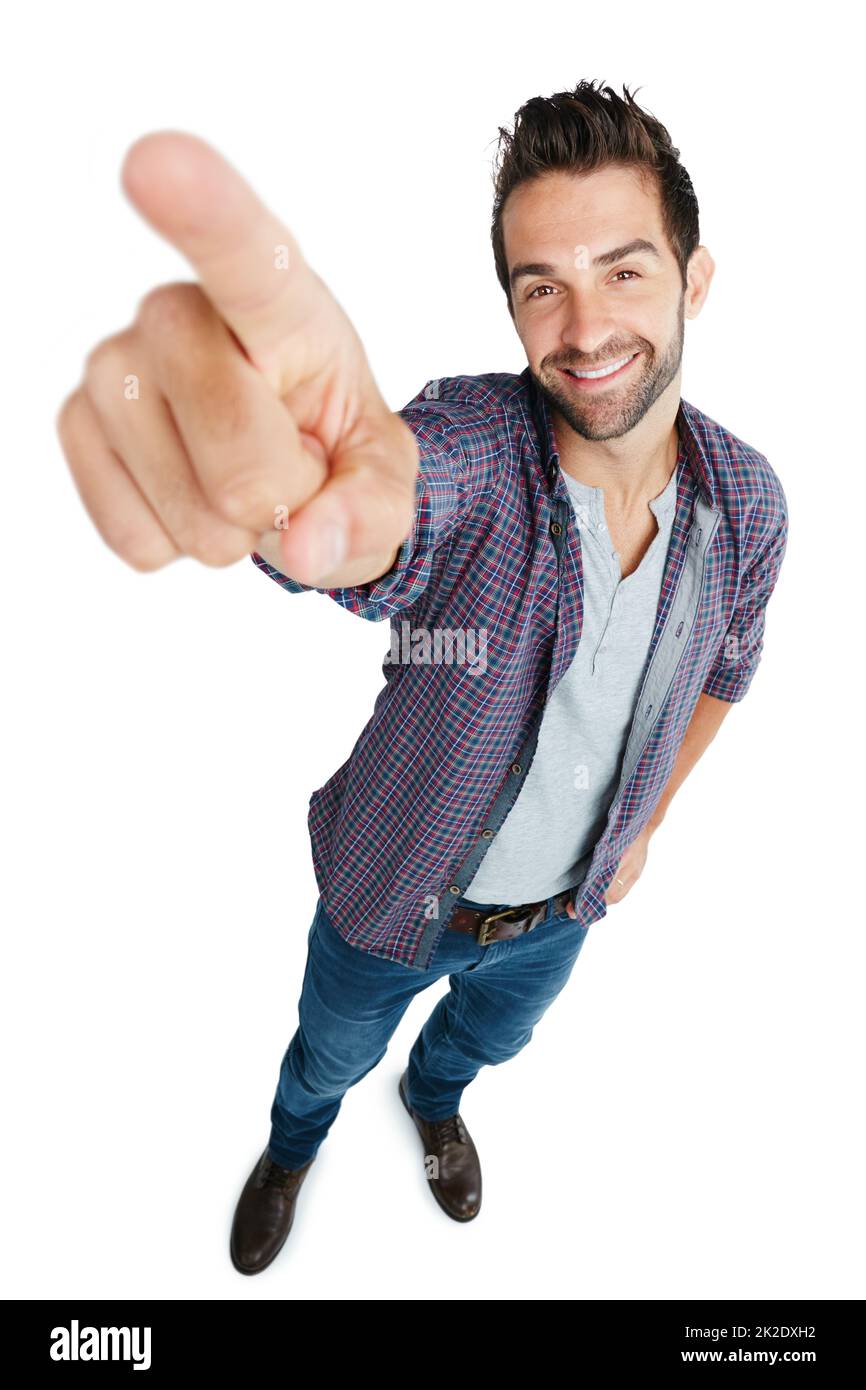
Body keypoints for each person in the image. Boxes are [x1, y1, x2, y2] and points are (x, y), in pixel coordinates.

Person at [56, 80, 789, 1276]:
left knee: (486, 1040)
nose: (584, 327)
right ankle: (296, 1145)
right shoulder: (478, 450)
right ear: (510, 311)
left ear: (693, 279)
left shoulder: (747, 503)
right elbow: (401, 494)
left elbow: (728, 666)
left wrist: (646, 823)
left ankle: (436, 1101)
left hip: (564, 911)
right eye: (539, 286)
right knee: (324, 1054)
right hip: (389, 901)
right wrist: (316, 505)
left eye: (623, 270)